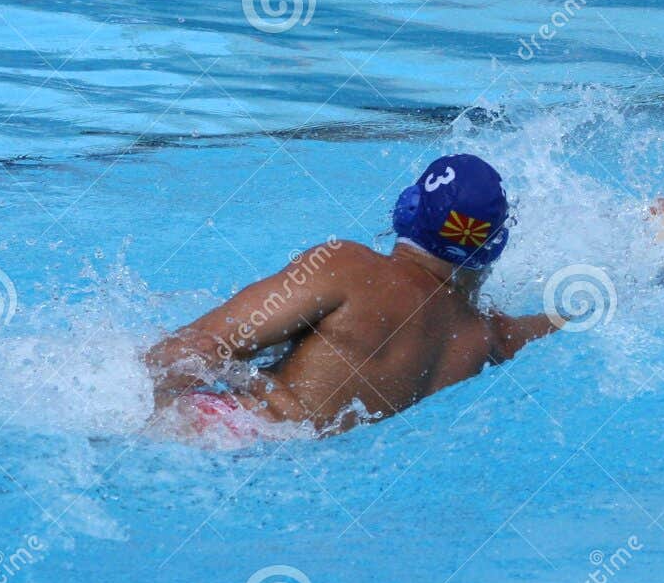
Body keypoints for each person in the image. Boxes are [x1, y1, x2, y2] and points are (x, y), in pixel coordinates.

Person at [144, 154, 560, 443]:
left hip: (227, 430)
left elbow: (200, 346)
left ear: (409, 208)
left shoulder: (347, 266)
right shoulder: (485, 338)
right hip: (299, 460)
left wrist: (128, 392)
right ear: (495, 246)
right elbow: (563, 321)